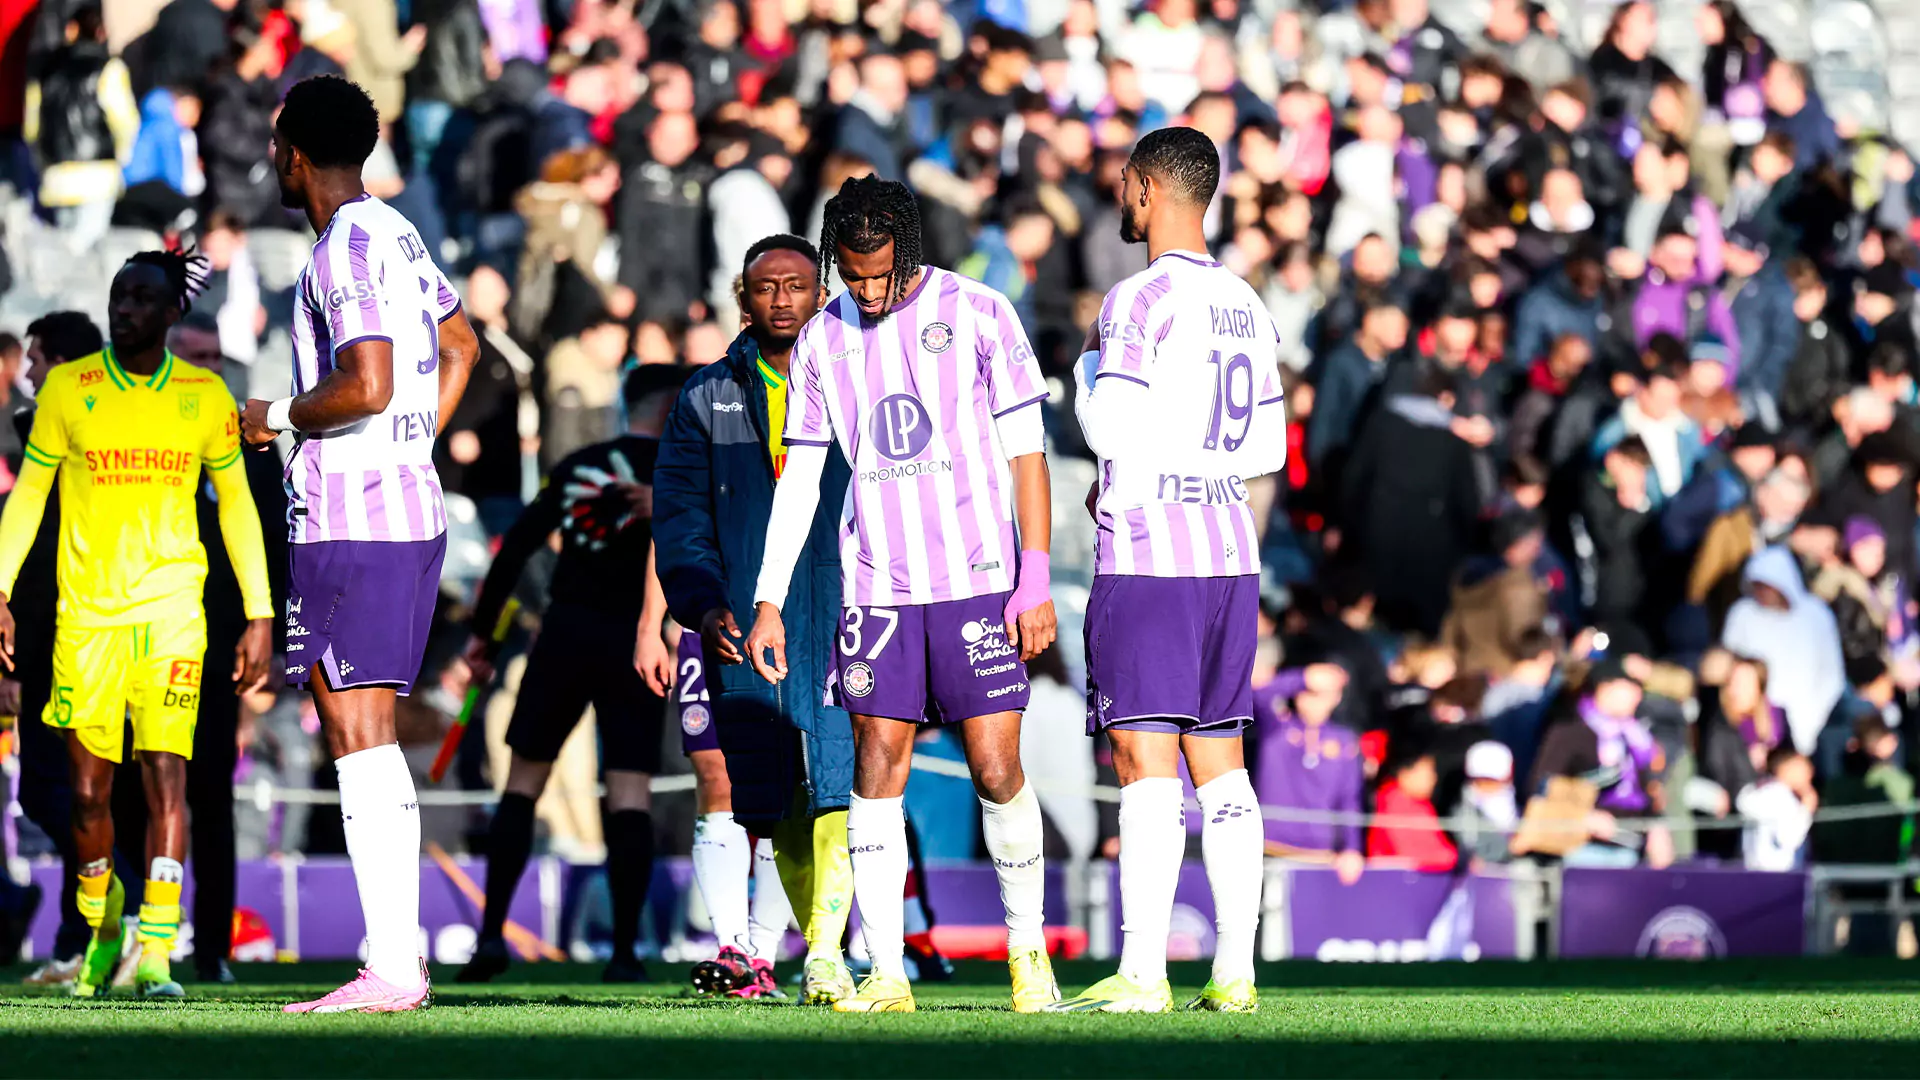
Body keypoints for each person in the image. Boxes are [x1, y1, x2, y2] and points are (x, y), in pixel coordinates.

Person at [743, 176, 1060, 1014]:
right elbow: (802, 475)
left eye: (883, 274)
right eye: (853, 274)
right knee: (877, 772)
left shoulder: (983, 312)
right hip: (878, 592)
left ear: (910, 253)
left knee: (996, 771)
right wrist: (769, 597)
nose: (870, 290)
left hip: (979, 585)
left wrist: (1034, 578)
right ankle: (886, 971)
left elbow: (1028, 452)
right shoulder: (822, 341)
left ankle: (1029, 955)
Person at [238, 75, 480, 1014]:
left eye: (272, 143)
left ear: (291, 153)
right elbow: (459, 344)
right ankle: (394, 962)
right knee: (359, 728)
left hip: (352, 512)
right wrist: (416, 447)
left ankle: (391, 967)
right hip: (404, 504)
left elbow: (368, 383)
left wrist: (278, 418)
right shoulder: (399, 230)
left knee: (356, 730)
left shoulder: (341, 249)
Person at [1054, 127, 1287, 1015]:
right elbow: (1265, 444)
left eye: (1124, 183)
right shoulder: (1244, 301)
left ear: (1146, 189)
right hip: (1230, 547)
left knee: (1143, 757)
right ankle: (1236, 971)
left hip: (1152, 549)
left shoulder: (1136, 298)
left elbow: (1108, 430)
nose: (1121, 197)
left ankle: (1145, 972)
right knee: (1220, 759)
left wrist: (1081, 371)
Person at [0, 250, 275, 998]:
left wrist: (258, 612)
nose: (125, 310)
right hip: (85, 619)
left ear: (170, 313)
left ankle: (155, 949)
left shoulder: (204, 395)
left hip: (173, 615)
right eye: (120, 297)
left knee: (166, 781)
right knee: (86, 796)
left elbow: (241, 509)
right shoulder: (67, 388)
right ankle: (101, 919)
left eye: (143, 298)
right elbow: (27, 498)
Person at [655, 234, 859, 1006]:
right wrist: (703, 604)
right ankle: (763, 957)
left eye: (797, 285)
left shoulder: (857, 383)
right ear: (743, 298)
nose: (781, 299)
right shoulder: (707, 397)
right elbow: (680, 517)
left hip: (843, 608)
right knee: (765, 798)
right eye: (765, 286)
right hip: (746, 620)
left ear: (821, 292)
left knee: (844, 781)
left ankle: (826, 954)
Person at [456, 364, 689, 985]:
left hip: (565, 632)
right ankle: (623, 954)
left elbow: (517, 548)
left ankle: (489, 940)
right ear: (670, 408)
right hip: (636, 641)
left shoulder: (581, 464)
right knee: (630, 790)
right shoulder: (680, 471)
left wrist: (484, 637)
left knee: (523, 784)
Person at [171, 313, 290, 984]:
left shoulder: (249, 451)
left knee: (211, 790)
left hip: (220, 643)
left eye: (216, 355)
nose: (210, 367)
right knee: (132, 785)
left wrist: (268, 628)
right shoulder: (138, 432)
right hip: (137, 627)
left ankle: (211, 944)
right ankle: (129, 929)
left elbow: (277, 540)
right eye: (195, 355)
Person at [673, 626, 794, 999]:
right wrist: (650, 627)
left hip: (785, 624)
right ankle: (732, 950)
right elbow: (657, 564)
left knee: (781, 786)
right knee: (714, 778)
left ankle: (762, 956)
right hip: (705, 628)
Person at [1736, 746, 1816, 871]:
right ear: (1786, 768)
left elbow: (1742, 802)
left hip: (1753, 869)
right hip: (1774, 873)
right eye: (1804, 767)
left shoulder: (1760, 790)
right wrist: (1807, 809)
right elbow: (1788, 839)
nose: (1810, 773)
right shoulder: (1781, 796)